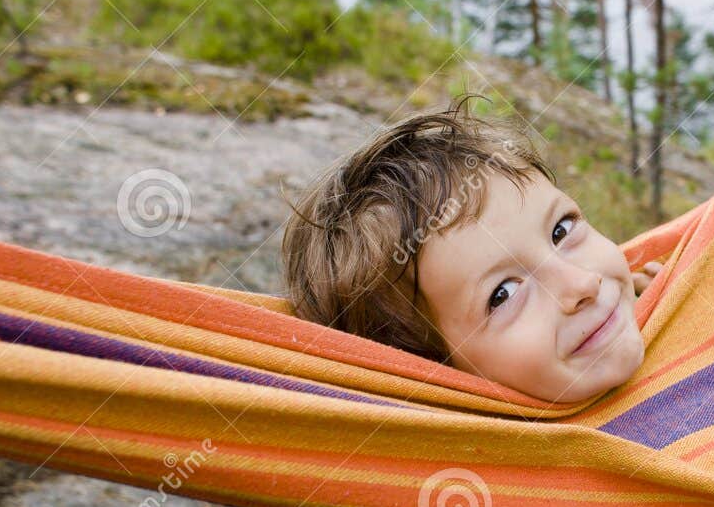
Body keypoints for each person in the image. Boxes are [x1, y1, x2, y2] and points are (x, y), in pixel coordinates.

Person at [282, 96, 661, 403]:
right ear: (442, 375)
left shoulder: (673, 307)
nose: (582, 284)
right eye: (503, 294)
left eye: (561, 230)